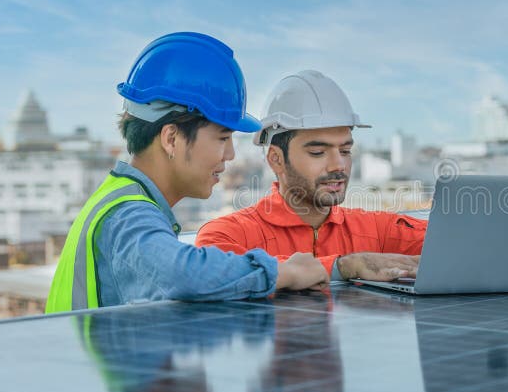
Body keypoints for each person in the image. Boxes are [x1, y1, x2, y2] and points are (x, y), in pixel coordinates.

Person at [44, 33, 328, 315]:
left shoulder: (120, 196)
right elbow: (181, 274)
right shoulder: (127, 213)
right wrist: (283, 272)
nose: (230, 155)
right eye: (222, 138)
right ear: (171, 139)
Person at [196, 70, 426, 282]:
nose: (339, 165)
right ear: (276, 159)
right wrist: (343, 267)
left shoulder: (377, 229)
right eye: (318, 152)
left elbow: (453, 241)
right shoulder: (231, 233)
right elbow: (212, 272)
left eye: (345, 151)